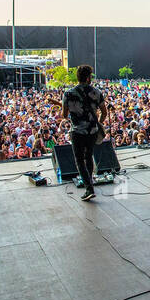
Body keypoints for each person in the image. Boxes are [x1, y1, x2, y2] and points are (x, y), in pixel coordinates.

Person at [61, 64, 108, 201]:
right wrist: (98, 122)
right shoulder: (96, 92)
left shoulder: (68, 94)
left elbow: (64, 115)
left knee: (79, 160)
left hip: (77, 131)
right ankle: (90, 183)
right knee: (89, 156)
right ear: (88, 78)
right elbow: (104, 112)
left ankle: (89, 188)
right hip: (92, 130)